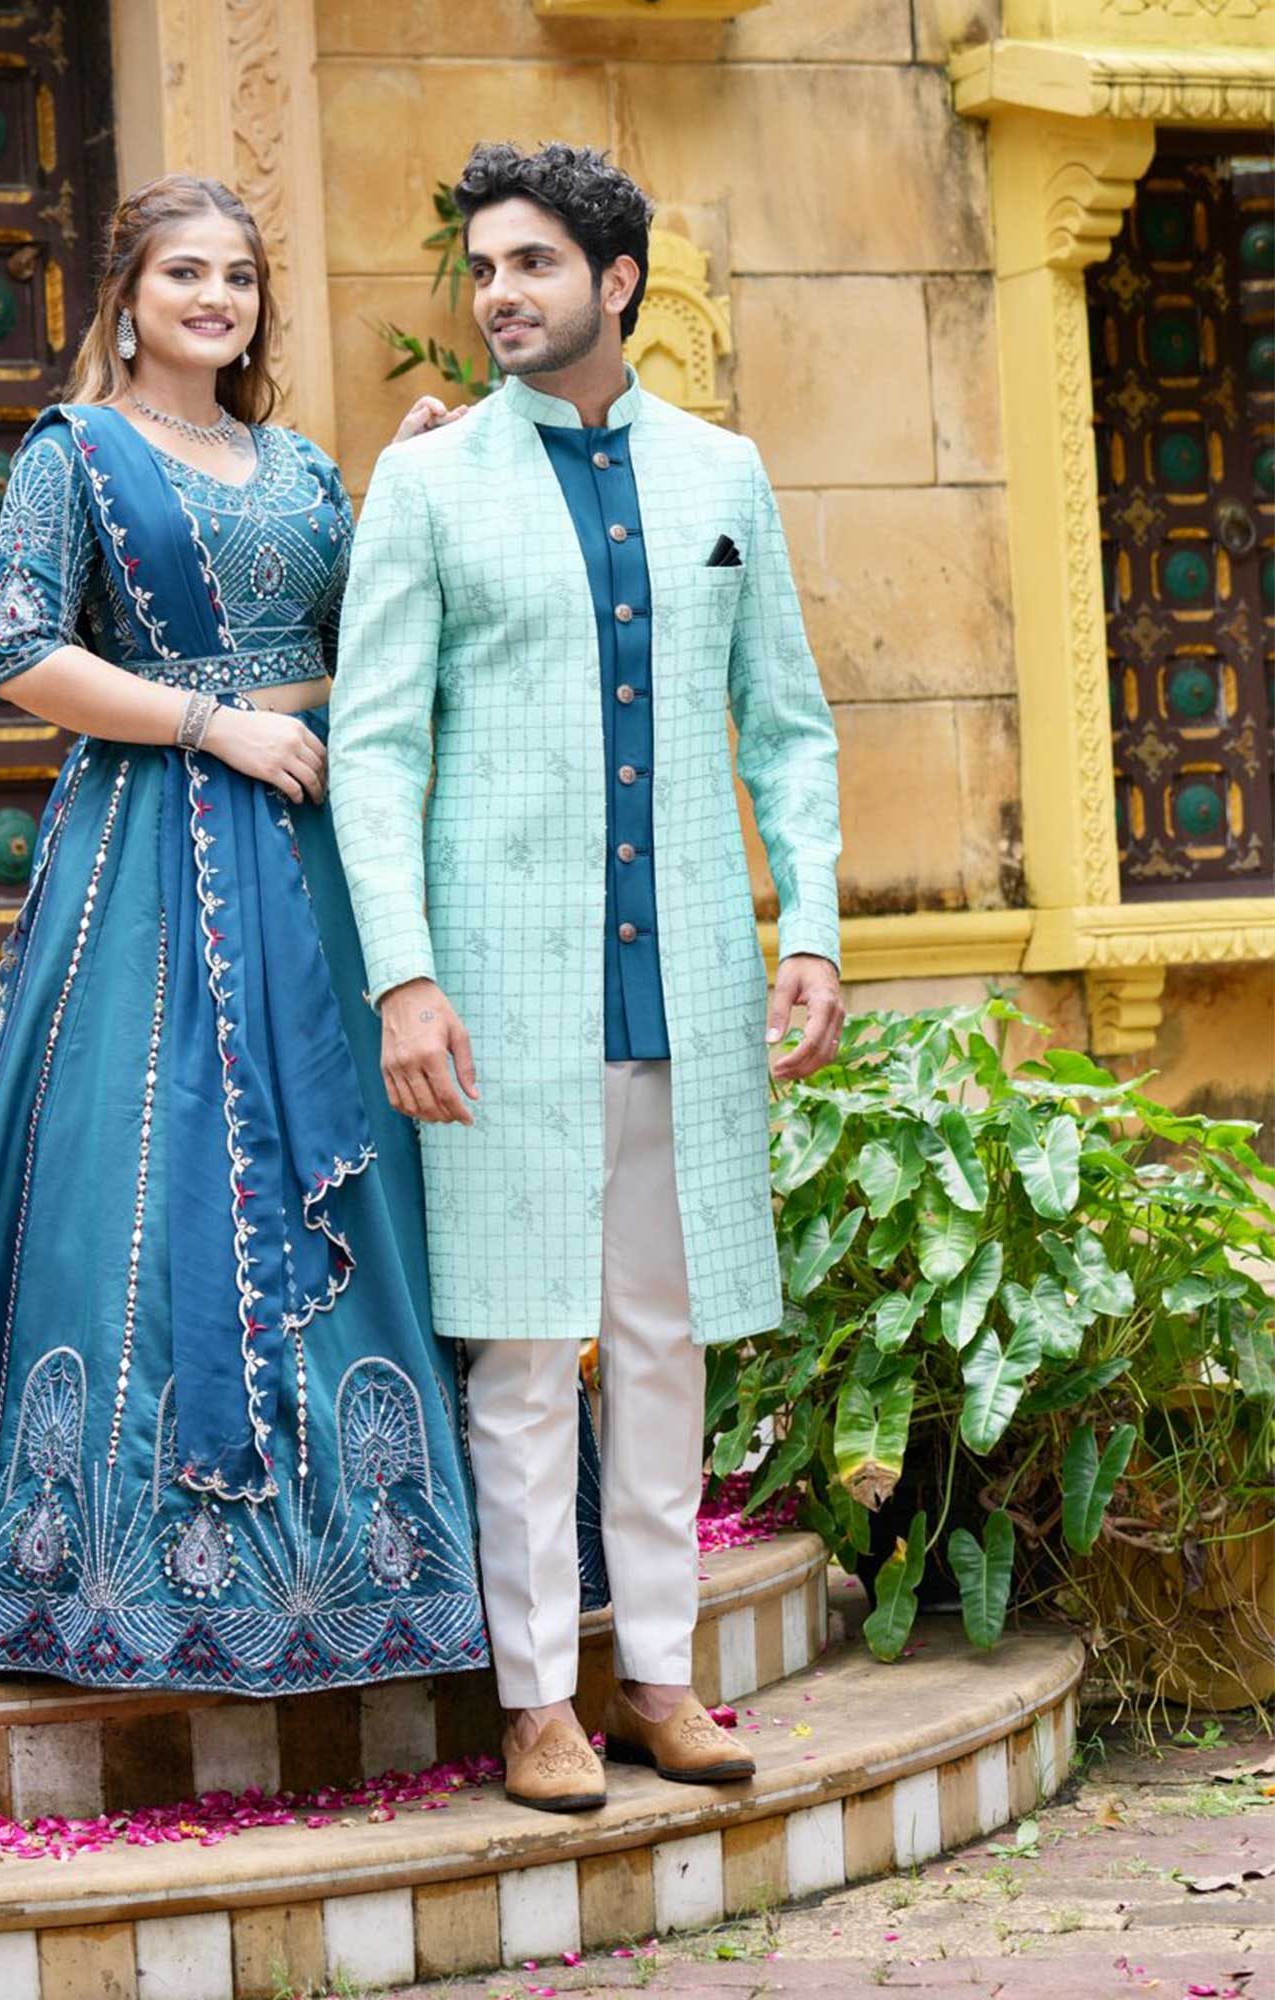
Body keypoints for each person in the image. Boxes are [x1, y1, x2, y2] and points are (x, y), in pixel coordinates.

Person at [0, 175, 489, 1695]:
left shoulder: (303, 466)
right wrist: (216, 726)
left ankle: (395, 1571)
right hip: (152, 857)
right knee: (158, 1175)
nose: (216, 298)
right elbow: (22, 651)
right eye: (184, 273)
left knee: (347, 1161)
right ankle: (117, 1584)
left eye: (239, 277)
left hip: (315, 856)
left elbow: (362, 642)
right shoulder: (76, 452)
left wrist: (407, 486)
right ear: (128, 298)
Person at [328, 142, 845, 1811]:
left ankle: (663, 1682)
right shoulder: (430, 486)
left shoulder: (724, 474)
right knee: (524, 1350)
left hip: (685, 982)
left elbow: (787, 726)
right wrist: (405, 977)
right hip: (497, 997)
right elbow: (376, 746)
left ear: (616, 280)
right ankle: (539, 1701)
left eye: (534, 263)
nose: (500, 295)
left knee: (664, 1343)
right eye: (485, 268)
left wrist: (812, 924)